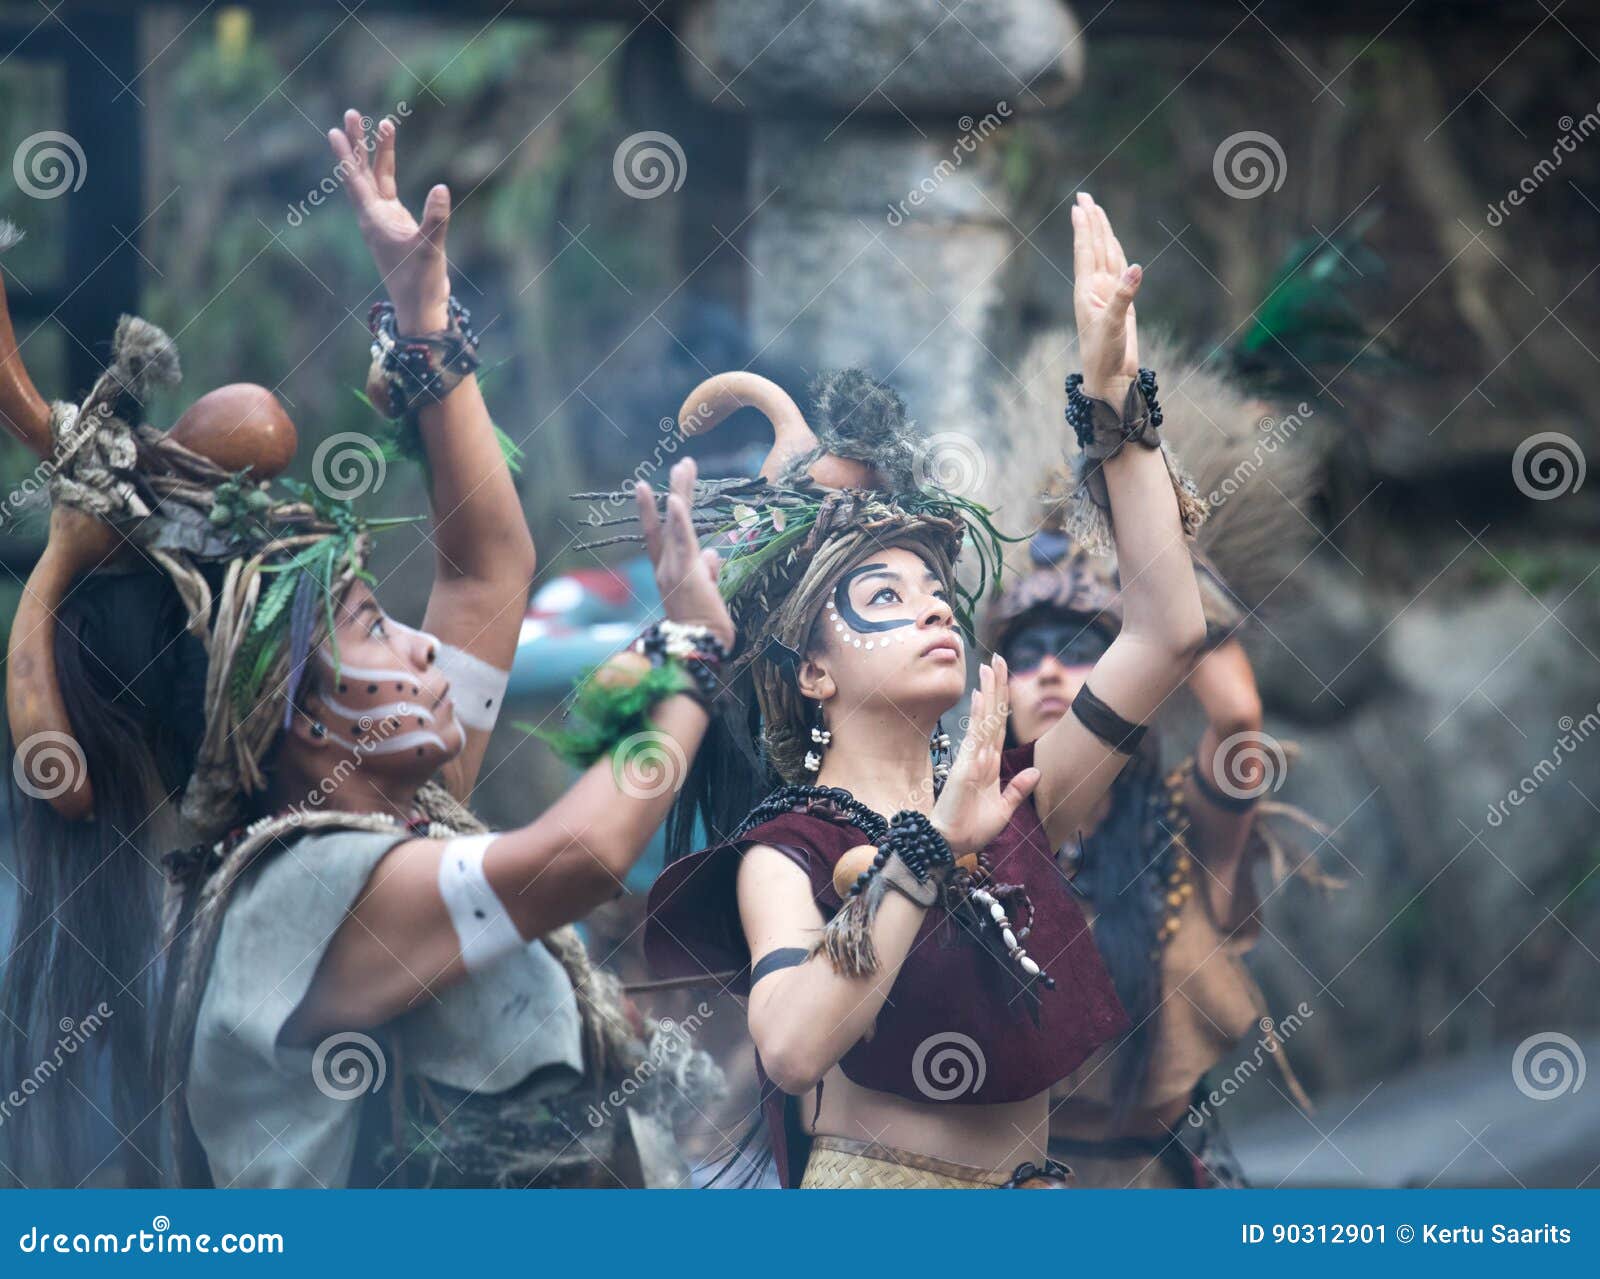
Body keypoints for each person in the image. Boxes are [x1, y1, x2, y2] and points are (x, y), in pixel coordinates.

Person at [0, 111, 730, 1188]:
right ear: (287, 715)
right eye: (373, 627)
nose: (424, 651)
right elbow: (583, 856)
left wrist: (424, 322)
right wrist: (693, 654)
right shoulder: (302, 885)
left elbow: (486, 568)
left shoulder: (395, 827)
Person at [638, 195, 1210, 1187]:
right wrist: (925, 851)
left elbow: (1167, 631)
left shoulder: (1010, 798)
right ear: (812, 670)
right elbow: (788, 1047)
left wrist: (1115, 400)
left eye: (936, 591)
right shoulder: (787, 853)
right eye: (883, 596)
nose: (935, 610)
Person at [979, 330, 1335, 1187]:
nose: (1054, 670)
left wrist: (1172, 554)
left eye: (1079, 649)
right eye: (1029, 655)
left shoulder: (1185, 831)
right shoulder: (968, 833)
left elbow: (1239, 712)